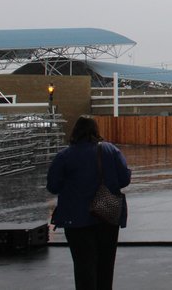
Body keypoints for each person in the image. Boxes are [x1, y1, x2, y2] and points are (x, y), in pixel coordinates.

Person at [47, 116, 131, 289]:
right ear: (95, 131)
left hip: (76, 220)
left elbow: (53, 186)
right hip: (107, 216)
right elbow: (124, 179)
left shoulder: (65, 156)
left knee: (84, 266)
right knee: (106, 266)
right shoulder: (110, 150)